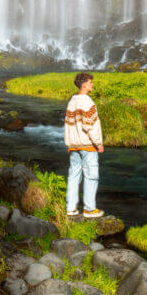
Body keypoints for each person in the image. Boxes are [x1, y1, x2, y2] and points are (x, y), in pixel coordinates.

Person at [64, 72, 104, 218]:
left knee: (73, 176)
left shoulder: (72, 101)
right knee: (91, 176)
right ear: (84, 84)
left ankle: (71, 208)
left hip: (73, 145)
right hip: (87, 145)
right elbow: (91, 126)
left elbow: (68, 125)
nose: (92, 84)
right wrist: (98, 143)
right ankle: (89, 209)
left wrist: (69, 143)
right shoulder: (87, 102)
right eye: (90, 82)